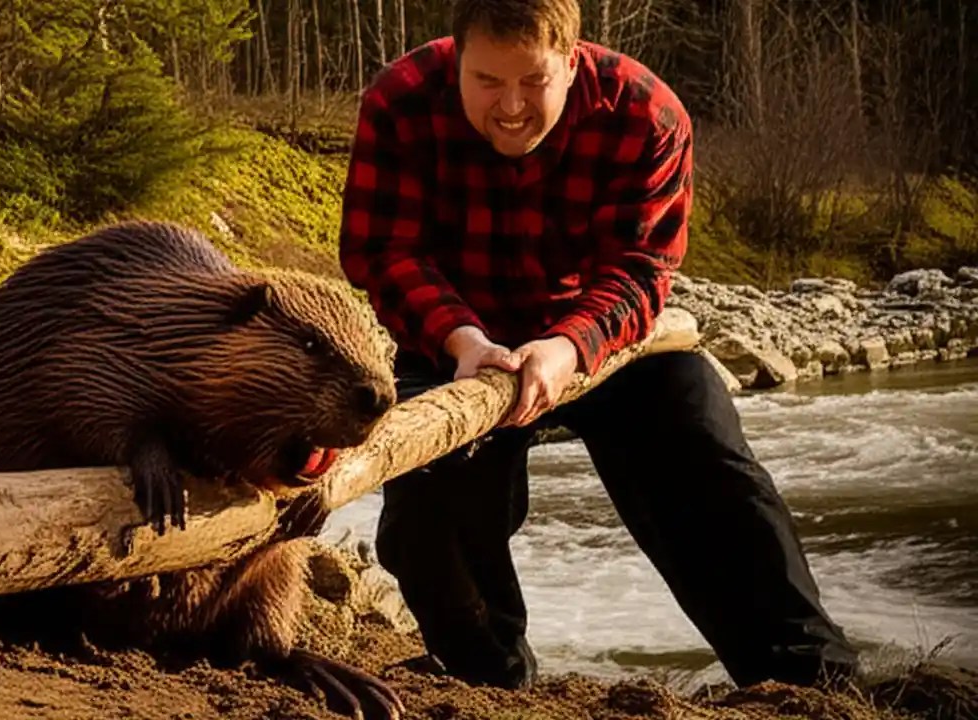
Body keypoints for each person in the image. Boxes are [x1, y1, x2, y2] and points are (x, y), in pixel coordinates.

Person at [337, 0, 860, 692]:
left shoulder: (648, 113)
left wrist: (566, 346)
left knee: (708, 457)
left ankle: (806, 680)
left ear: (573, 58)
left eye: (534, 82)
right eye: (488, 82)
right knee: (427, 512)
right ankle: (486, 680)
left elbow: (641, 268)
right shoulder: (399, 102)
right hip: (457, 342)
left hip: (606, 344)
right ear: (456, 56)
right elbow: (384, 251)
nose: (512, 107)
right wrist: (462, 340)